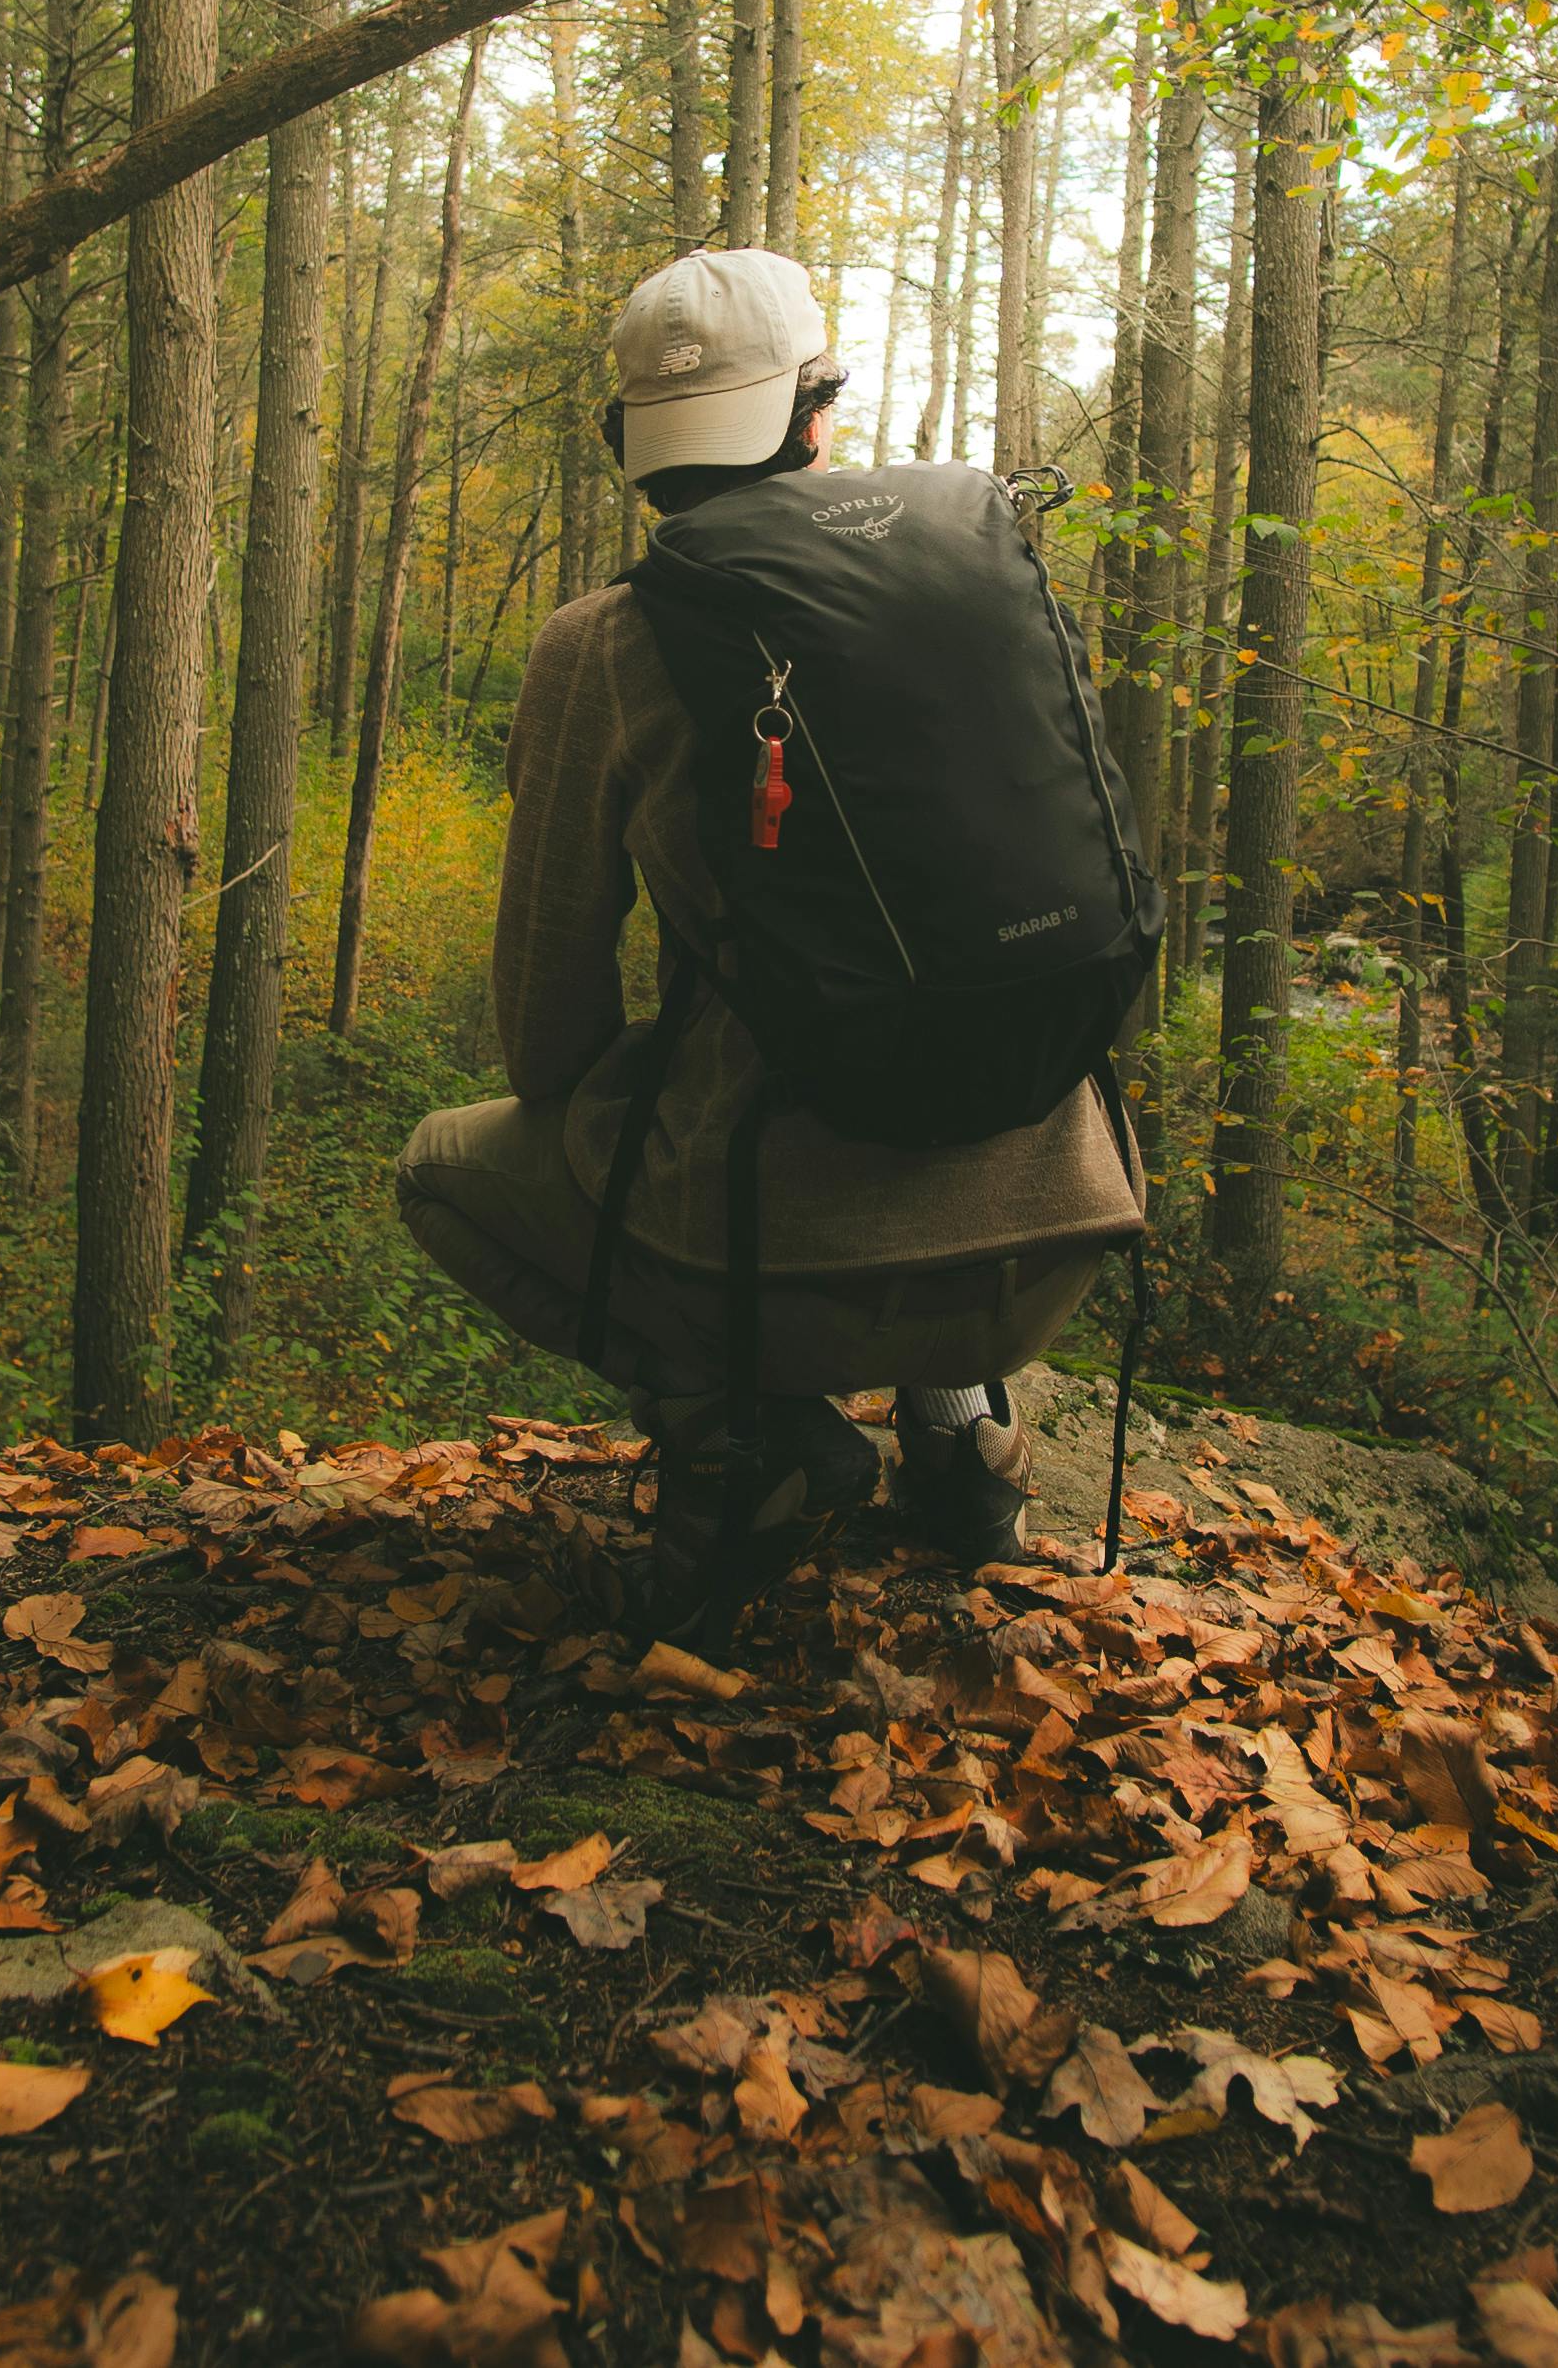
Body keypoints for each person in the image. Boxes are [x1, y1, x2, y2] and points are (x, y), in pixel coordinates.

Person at [398, 245, 1145, 1635]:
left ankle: (746, 1442)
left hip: (773, 1265)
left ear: (633, 440)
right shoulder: (984, 578)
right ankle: (965, 1430)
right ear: (818, 409)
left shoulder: (604, 641)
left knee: (444, 1167)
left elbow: (547, 1020)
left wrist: (640, 1092)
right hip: (1063, 1227)